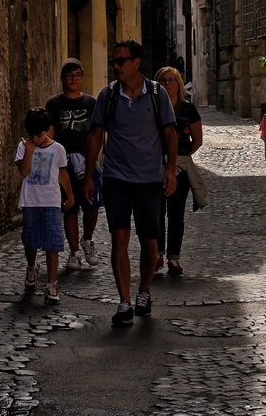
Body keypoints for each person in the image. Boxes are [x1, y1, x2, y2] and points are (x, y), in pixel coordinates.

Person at [83, 40, 178, 326]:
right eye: (114, 61)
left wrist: (171, 169)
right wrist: (89, 176)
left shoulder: (156, 94)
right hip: (116, 179)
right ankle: (124, 302)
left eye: (121, 61)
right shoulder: (108, 95)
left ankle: (144, 292)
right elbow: (96, 136)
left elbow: (170, 134)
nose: (116, 66)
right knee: (119, 237)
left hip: (150, 179)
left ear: (136, 62)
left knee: (149, 240)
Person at [46, 58, 100, 270]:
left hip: (87, 160)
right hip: (63, 162)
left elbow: (97, 133)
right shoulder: (54, 104)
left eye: (77, 75)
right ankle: (74, 252)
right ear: (62, 78)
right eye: (70, 75)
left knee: (92, 203)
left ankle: (87, 241)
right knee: (69, 206)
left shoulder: (91, 103)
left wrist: (94, 158)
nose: (74, 79)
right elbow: (50, 133)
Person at [16, 107, 74, 304]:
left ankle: (51, 283)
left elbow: (63, 174)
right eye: (31, 134)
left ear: (48, 129)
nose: (35, 138)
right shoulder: (24, 146)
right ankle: (31, 267)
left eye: (39, 134)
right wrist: (30, 149)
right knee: (30, 241)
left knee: (52, 244)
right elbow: (23, 171)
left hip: (51, 202)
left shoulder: (58, 149)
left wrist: (70, 196)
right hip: (30, 202)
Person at [154, 66, 204, 276]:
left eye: (171, 80)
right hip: (154, 166)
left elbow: (198, 140)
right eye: (163, 81)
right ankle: (157, 255)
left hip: (180, 167)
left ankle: (174, 258)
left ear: (179, 84)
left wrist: (181, 158)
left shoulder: (188, 109)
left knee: (176, 213)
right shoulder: (152, 108)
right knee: (157, 212)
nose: (167, 84)